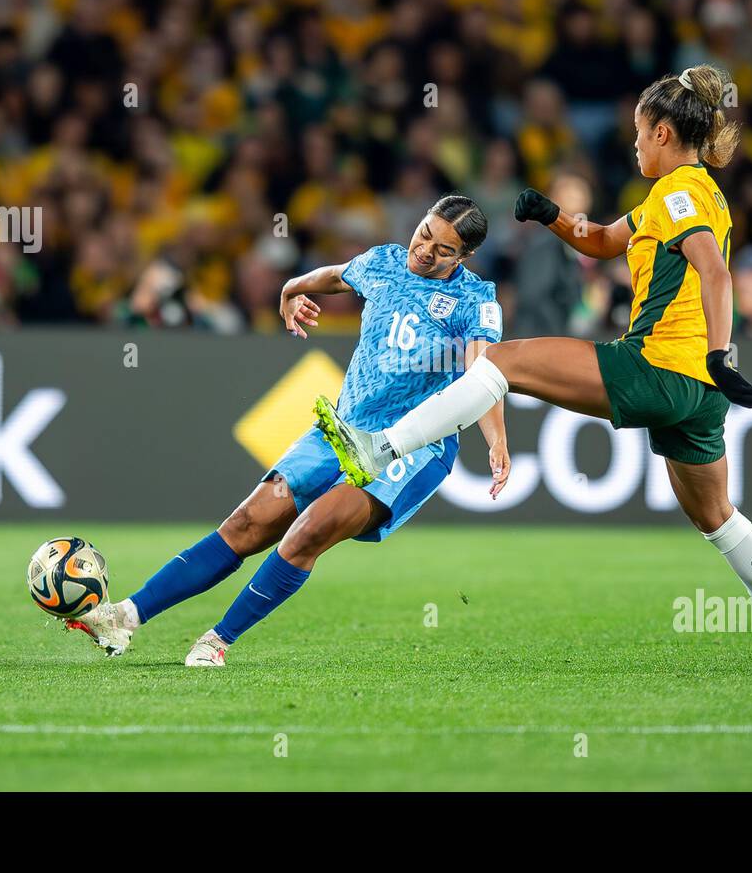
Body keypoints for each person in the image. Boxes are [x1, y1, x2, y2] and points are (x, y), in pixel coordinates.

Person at [315, 66, 752, 671]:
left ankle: (381, 450)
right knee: (716, 516)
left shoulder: (678, 193)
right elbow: (606, 240)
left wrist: (722, 351)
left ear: (662, 132)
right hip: (699, 392)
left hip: (659, 365)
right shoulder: (693, 192)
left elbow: (715, 271)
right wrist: (553, 215)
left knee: (501, 359)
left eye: (639, 132)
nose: (633, 144)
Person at [69, 195, 508, 665]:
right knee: (247, 524)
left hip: (409, 450)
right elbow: (334, 276)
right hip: (342, 430)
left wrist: (497, 440)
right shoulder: (384, 262)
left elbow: (481, 378)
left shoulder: (474, 302)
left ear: (465, 257)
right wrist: (290, 290)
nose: (424, 250)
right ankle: (125, 618)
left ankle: (216, 642)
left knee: (308, 531)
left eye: (444, 250)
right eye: (425, 233)